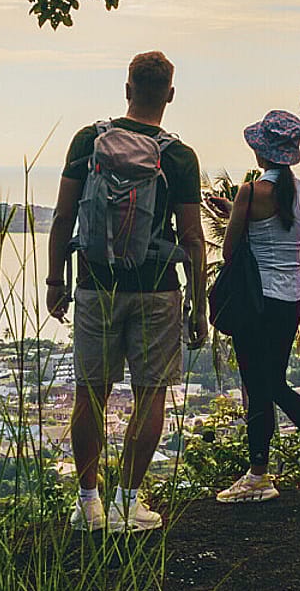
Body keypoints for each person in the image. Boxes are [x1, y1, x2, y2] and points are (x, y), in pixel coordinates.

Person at [46, 51, 207, 532]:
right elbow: (193, 237)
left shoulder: (88, 141)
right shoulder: (178, 156)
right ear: (170, 95)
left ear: (127, 88)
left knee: (90, 394)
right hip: (158, 290)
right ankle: (129, 503)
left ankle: (88, 502)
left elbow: (61, 218)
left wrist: (56, 282)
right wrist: (197, 307)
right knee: (149, 394)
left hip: (95, 286)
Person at [207, 110, 300, 503]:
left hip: (258, 301)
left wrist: (234, 213)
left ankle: (275, 469)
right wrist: (235, 210)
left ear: (261, 152)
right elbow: (279, 229)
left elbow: (230, 249)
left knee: (262, 386)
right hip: (290, 299)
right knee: (271, 380)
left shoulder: (251, 191)